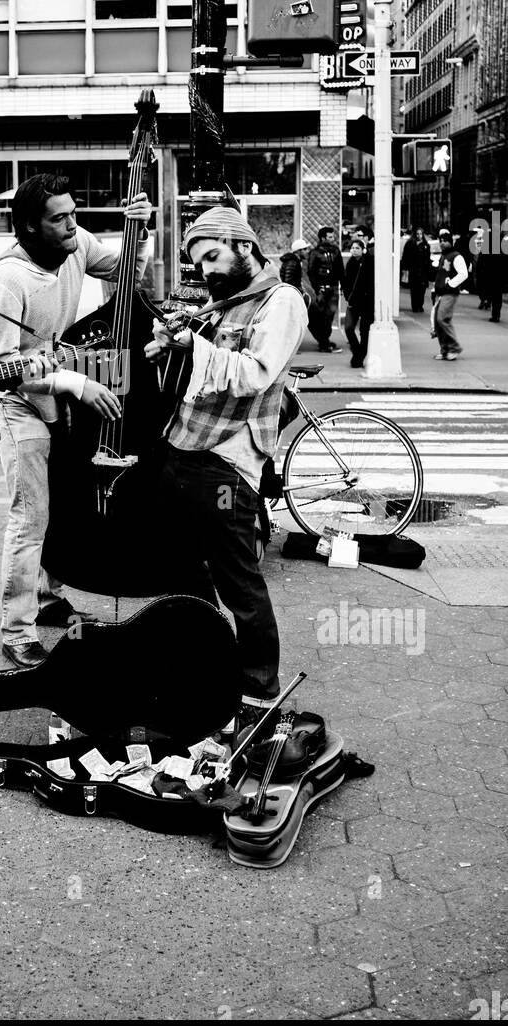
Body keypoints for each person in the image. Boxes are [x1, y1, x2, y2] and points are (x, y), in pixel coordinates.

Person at [144, 206, 308, 730]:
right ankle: (211, 678)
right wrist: (170, 346)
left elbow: (256, 373)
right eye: (200, 264)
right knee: (188, 578)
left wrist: (194, 345)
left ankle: (260, 699)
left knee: (240, 585)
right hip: (183, 450)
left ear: (244, 244)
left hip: (228, 463)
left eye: (214, 256)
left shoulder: (281, 302)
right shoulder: (222, 304)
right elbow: (196, 377)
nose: (208, 271)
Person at [0, 174, 152, 668]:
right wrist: (78, 384)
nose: (73, 226)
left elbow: (125, 274)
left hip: (57, 392)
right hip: (16, 403)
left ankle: (49, 597)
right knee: (30, 514)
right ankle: (16, 631)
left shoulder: (77, 245)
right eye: (60, 218)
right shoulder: (8, 278)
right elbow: (1, 367)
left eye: (74, 212)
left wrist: (138, 229)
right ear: (30, 228)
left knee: (60, 504)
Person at [431, 227, 468, 361]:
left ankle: (453, 347)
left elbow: (464, 273)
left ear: (450, 242)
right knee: (438, 321)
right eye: (441, 240)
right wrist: (435, 289)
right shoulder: (444, 256)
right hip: (442, 292)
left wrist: (450, 284)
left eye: (445, 241)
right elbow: (440, 275)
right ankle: (445, 349)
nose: (442, 243)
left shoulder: (456, 256)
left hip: (450, 293)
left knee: (442, 319)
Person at [306, 224, 345, 352]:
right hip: (321, 289)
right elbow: (311, 272)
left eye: (332, 236)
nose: (333, 238)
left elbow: (340, 270)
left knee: (329, 315)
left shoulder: (336, 251)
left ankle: (324, 341)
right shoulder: (314, 253)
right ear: (323, 238)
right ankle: (323, 342)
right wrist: (316, 289)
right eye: (330, 236)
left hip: (333, 288)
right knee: (321, 316)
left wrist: (343, 287)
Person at [342, 237, 374, 368]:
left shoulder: (369, 262)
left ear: (363, 250)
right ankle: (358, 352)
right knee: (349, 328)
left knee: (364, 331)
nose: (354, 251)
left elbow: (371, 282)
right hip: (353, 302)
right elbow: (346, 282)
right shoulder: (350, 264)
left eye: (357, 248)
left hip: (366, 302)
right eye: (352, 248)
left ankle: (359, 357)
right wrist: (347, 296)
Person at [401, 227, 431, 313]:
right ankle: (415, 306)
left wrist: (428, 271)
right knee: (414, 289)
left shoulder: (426, 245)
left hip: (423, 271)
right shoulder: (410, 244)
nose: (419, 235)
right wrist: (405, 268)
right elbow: (405, 257)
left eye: (421, 234)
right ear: (415, 234)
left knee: (422, 290)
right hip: (413, 270)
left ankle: (420, 305)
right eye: (417, 234)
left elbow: (427, 259)